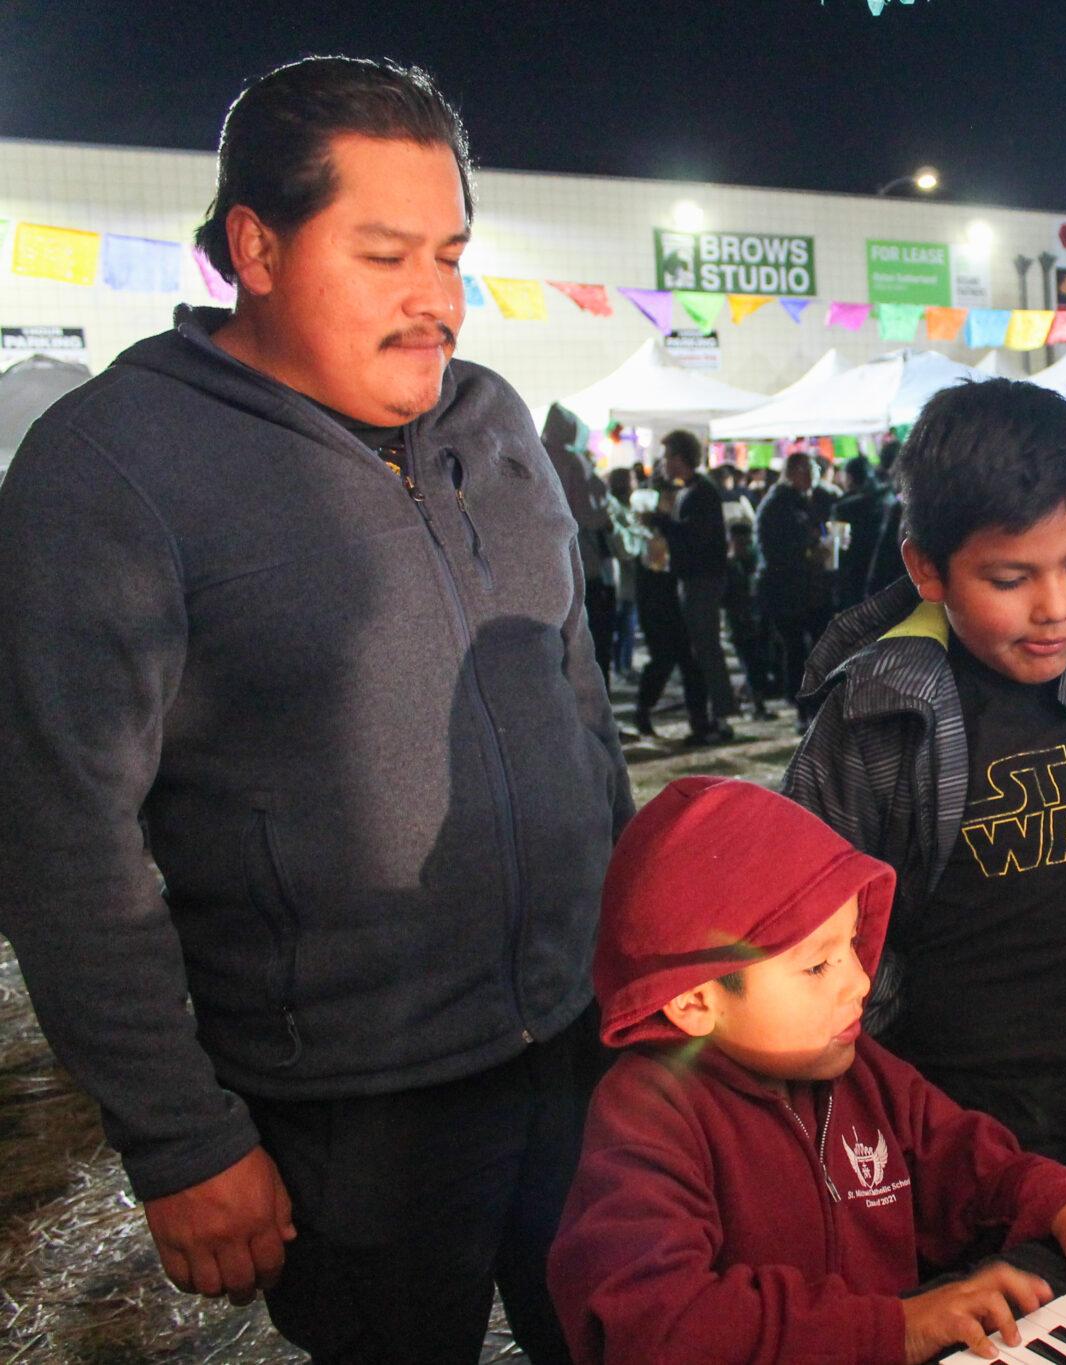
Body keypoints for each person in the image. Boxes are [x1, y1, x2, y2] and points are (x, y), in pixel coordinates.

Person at [0, 57, 632, 1364]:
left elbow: (579, 712)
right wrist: (180, 1135)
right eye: (386, 253)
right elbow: (61, 834)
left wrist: (643, 968)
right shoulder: (110, 469)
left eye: (452, 254)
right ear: (258, 246)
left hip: (581, 1053)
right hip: (355, 1117)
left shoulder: (500, 423)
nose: (437, 301)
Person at [545, 776, 1066, 1365]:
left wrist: (1064, 1203)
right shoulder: (648, 1117)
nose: (861, 983)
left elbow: (967, 1159)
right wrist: (893, 1327)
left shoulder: (858, 1069)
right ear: (695, 999)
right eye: (817, 965)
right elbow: (651, 1325)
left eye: (853, 948)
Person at [784, 378, 1066, 1201]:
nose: (1057, 607)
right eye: (1010, 578)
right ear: (928, 569)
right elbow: (820, 938)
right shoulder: (878, 719)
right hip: (955, 1157)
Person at [647, 429, 737, 744]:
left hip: (702, 579)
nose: (663, 463)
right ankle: (713, 716)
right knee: (701, 649)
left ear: (681, 458)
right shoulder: (692, 490)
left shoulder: (701, 493)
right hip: (695, 577)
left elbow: (695, 538)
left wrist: (663, 524)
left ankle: (721, 717)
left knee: (707, 647)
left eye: (668, 456)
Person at [757, 450, 835, 728]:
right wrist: (808, 552)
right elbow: (775, 550)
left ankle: (814, 706)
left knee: (814, 648)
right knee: (796, 651)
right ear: (792, 473)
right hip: (786, 590)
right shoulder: (778, 504)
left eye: (813, 470)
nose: (811, 476)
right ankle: (802, 709)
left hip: (809, 589)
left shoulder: (811, 500)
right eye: (806, 471)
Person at [542, 404, 617, 687]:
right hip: (587, 565)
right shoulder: (575, 462)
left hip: (549, 566)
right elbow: (591, 516)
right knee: (593, 646)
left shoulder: (536, 456)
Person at [723, 519, 777, 720]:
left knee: (760, 663)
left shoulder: (756, 563)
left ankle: (750, 697)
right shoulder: (729, 566)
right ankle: (757, 705)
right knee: (750, 663)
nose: (743, 547)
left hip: (759, 619)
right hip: (739, 623)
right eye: (739, 543)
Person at [831, 453, 888, 612]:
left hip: (854, 576)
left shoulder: (843, 508)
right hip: (885, 575)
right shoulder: (888, 500)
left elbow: (836, 550)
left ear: (849, 477)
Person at [605, 467, 644, 682]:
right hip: (622, 574)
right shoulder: (615, 507)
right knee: (625, 623)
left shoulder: (624, 506)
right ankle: (622, 666)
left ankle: (623, 664)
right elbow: (622, 542)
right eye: (631, 479)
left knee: (627, 622)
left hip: (627, 575)